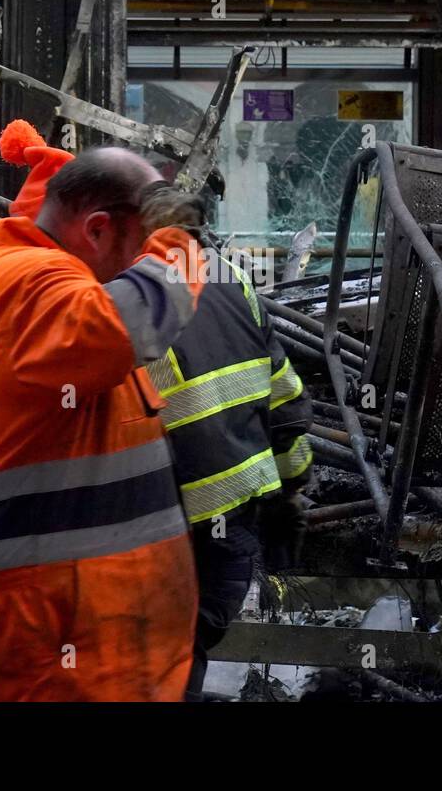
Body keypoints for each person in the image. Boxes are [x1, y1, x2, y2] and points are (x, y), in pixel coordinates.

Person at [0, 121, 208, 701]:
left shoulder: (23, 271)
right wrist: (177, 243)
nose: (146, 258)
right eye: (141, 244)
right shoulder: (27, 283)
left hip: (64, 627)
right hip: (50, 640)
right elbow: (123, 325)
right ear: (98, 229)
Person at [145, 254, 314, 701]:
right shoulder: (226, 272)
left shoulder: (109, 289)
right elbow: (285, 404)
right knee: (185, 648)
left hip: (160, 523)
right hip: (231, 523)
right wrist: (291, 494)